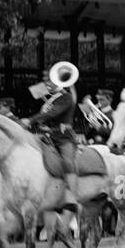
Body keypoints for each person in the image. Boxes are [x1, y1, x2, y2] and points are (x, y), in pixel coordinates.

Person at [28, 72, 80, 209]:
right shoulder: (51, 99)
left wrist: (31, 119)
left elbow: (52, 113)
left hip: (63, 137)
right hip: (47, 136)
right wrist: (38, 124)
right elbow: (46, 115)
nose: (47, 84)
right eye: (46, 82)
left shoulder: (66, 97)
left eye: (50, 81)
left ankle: (72, 195)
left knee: (68, 162)